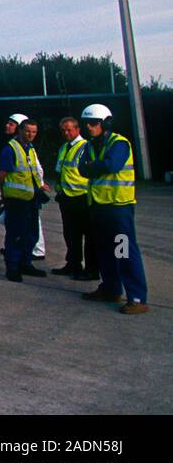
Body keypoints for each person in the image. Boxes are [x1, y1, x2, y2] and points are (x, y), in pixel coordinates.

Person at [76, 104, 148, 314]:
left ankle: (137, 297)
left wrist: (93, 167)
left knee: (124, 252)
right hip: (99, 207)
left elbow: (111, 165)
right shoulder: (89, 146)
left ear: (106, 123)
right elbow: (82, 168)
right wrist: (94, 167)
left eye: (94, 123)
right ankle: (110, 289)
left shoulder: (119, 143)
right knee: (105, 252)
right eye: (87, 123)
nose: (89, 127)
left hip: (118, 209)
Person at [0, 118, 49, 281]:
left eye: (34, 132)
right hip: (16, 200)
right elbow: (3, 176)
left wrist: (40, 186)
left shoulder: (31, 149)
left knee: (31, 234)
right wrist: (4, 195)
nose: (31, 135)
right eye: (28, 131)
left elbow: (33, 171)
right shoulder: (10, 149)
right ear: (20, 130)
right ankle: (12, 267)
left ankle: (25, 263)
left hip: (32, 199)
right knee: (15, 235)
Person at [52, 117, 96, 280]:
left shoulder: (85, 146)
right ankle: (73, 264)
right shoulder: (64, 147)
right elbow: (60, 170)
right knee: (71, 234)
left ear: (77, 129)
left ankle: (91, 269)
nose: (66, 133)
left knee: (88, 235)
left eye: (69, 129)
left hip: (82, 197)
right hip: (66, 197)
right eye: (63, 130)